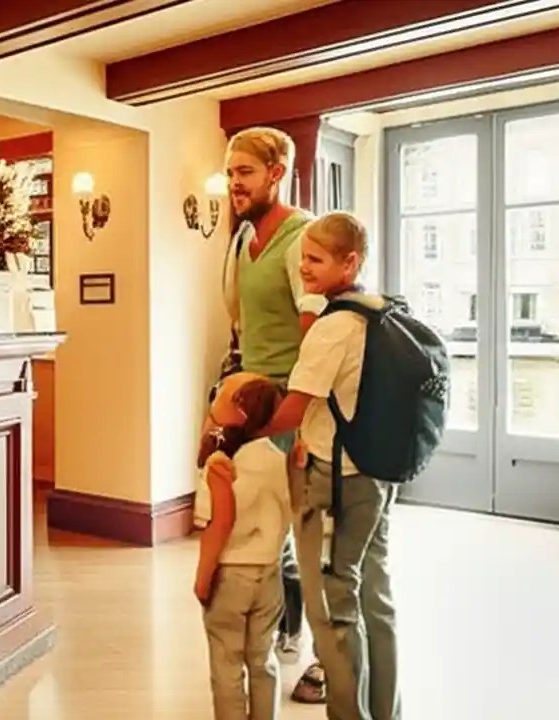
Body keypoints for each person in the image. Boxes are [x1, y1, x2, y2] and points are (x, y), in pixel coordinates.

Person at [201, 125, 329, 703]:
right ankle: (280, 631)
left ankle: (320, 656)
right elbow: (241, 323)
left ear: (277, 173)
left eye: (245, 172)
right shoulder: (242, 239)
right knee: (266, 532)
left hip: (293, 409)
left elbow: (313, 329)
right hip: (253, 406)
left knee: (305, 532)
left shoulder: (301, 237)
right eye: (230, 173)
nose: (234, 183)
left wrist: (295, 416)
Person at [259, 212, 402, 720]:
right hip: (377, 474)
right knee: (376, 599)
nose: (304, 269)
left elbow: (294, 407)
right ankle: (385, 711)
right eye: (302, 259)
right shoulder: (380, 311)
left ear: (350, 262)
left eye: (315, 260)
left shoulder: (332, 327)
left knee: (332, 608)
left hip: (335, 480)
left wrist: (239, 433)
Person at [195, 371, 293, 720]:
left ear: (238, 410)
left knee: (227, 663)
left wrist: (202, 579)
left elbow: (219, 525)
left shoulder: (222, 466)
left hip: (230, 576)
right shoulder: (280, 461)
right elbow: (293, 510)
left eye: (221, 394)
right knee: (262, 658)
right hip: (270, 573)